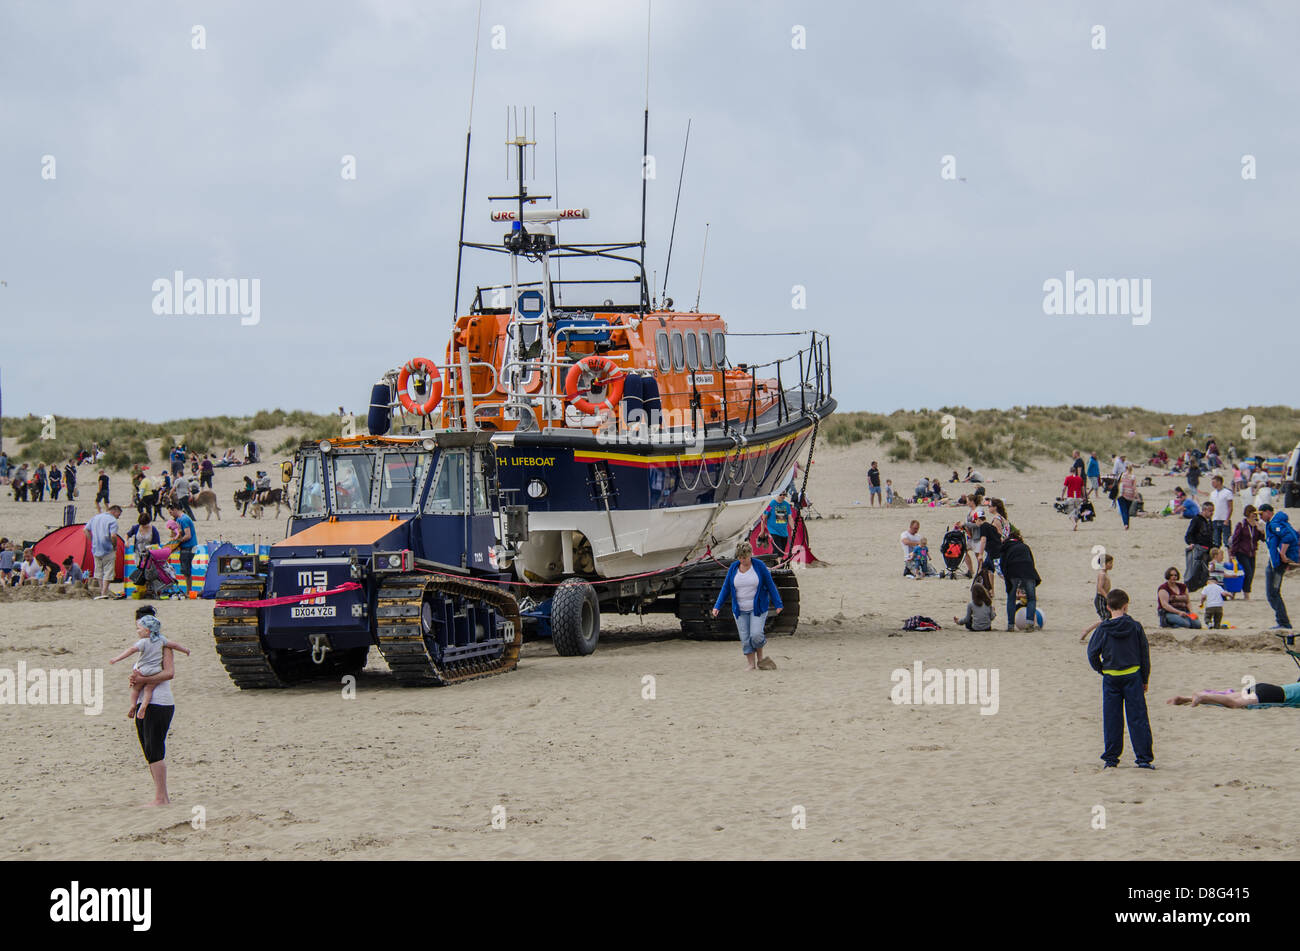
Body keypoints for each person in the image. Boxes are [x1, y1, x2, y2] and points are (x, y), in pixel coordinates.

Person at [1087, 589, 1154, 769]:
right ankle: (1144, 758)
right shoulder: (1135, 626)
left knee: (1112, 718)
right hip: (1132, 675)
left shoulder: (1103, 628)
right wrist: (1145, 678)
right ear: (1126, 606)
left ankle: (1111, 758)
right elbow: (1144, 654)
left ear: (1108, 607)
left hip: (1111, 677)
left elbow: (1092, 653)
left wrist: (1101, 669)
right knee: (1138, 717)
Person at [126, 606, 177, 806]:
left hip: (160, 702)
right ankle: (162, 796)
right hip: (143, 703)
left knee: (155, 749)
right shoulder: (143, 646)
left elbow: (169, 673)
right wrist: (134, 679)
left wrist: (144, 678)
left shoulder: (163, 645)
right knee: (148, 749)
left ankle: (160, 797)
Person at [711, 541, 783, 671]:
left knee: (756, 635)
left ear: (750, 555)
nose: (742, 560)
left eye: (744, 557)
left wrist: (778, 603)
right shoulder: (734, 568)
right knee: (745, 639)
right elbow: (726, 588)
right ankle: (751, 664)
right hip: (740, 610)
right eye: (739, 558)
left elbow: (770, 585)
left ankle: (761, 658)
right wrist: (717, 606)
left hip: (758, 608)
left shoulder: (759, 566)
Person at [110, 613, 190, 720]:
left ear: (147, 631)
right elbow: (175, 645)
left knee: (136, 689)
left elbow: (131, 650)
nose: (137, 631)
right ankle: (144, 706)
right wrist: (186, 650)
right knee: (148, 690)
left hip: (143, 670)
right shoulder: (162, 640)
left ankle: (133, 705)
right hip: (155, 671)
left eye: (138, 629)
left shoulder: (143, 642)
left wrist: (116, 658)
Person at [1260, 503, 1298, 630]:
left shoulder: (1274, 524)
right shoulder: (1274, 524)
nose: (1261, 517)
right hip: (1276, 563)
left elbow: (1289, 536)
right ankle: (1283, 621)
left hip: (1276, 565)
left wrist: (1282, 554)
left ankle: (1283, 622)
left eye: (1262, 514)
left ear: (1268, 512)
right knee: (1273, 593)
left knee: (1273, 593)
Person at [999, 532, 1040, 631]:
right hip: (1027, 570)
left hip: (1012, 571)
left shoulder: (1005, 548)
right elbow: (1032, 562)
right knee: (1031, 598)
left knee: (1011, 598)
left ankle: (1010, 625)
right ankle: (1030, 624)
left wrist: (1007, 579)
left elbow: (1002, 564)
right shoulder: (1025, 546)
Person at [84, 504, 122, 599]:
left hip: (96, 547)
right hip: (107, 547)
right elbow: (113, 536)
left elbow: (85, 530)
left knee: (99, 570)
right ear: (115, 511)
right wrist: (114, 546)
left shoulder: (96, 517)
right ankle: (104, 592)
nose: (118, 517)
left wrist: (92, 541)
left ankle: (102, 591)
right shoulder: (112, 521)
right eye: (119, 515)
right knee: (108, 570)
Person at [1168, 682, 1300, 709]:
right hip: (1273, 694)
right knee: (1235, 704)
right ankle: (1203, 697)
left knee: (1230, 698)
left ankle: (1184, 698)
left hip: (1266, 687)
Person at [1229, 505, 1264, 601]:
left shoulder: (1256, 525)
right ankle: (1239, 593)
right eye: (1253, 513)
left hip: (1252, 553)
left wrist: (1261, 531)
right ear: (1248, 513)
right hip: (1241, 552)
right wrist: (1232, 553)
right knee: (1245, 572)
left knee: (1251, 573)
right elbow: (1236, 539)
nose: (1254, 516)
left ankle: (1244, 592)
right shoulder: (1241, 525)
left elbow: (1263, 539)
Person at [1080, 554, 1115, 641]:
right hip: (1101, 599)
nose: (1111, 565)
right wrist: (1107, 597)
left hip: (1104, 598)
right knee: (1105, 619)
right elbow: (1100, 588)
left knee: (1109, 618)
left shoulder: (1105, 574)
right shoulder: (1102, 574)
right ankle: (1087, 630)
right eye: (1110, 563)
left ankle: (1105, 635)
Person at [168, 502, 198, 597]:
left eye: (171, 512)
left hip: (189, 546)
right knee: (186, 569)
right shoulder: (180, 519)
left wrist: (178, 540)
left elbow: (188, 535)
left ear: (176, 509)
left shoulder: (184, 519)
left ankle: (189, 592)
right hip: (189, 546)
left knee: (186, 570)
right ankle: (188, 591)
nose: (171, 515)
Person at [1184, 500, 1214, 591]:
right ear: (1204, 510)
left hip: (1207, 550)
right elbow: (1189, 534)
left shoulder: (1209, 521)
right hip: (1198, 549)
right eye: (1210, 511)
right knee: (1194, 571)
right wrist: (1192, 543)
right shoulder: (1196, 520)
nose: (1212, 513)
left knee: (1205, 572)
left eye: (1213, 511)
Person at [761, 490, 793, 556]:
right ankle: (779, 565)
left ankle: (775, 563)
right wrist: (762, 531)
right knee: (778, 552)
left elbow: (790, 518)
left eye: (784, 495)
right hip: (773, 532)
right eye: (780, 494)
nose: (782, 496)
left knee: (781, 552)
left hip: (784, 533)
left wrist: (793, 528)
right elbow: (764, 517)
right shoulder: (770, 504)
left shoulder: (786, 505)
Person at [1208, 475, 1233, 549]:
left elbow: (1230, 507)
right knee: (1215, 542)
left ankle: (1230, 559)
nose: (1212, 484)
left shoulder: (1227, 492)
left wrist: (1227, 519)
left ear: (1219, 482)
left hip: (1224, 519)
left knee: (1227, 542)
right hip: (1215, 519)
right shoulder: (1212, 493)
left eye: (1214, 482)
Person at [1117, 464, 1137, 530]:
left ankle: (1126, 524)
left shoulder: (1122, 475)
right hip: (1130, 495)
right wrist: (1135, 495)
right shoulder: (1133, 477)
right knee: (1127, 510)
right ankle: (1127, 524)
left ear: (1125, 468)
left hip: (1122, 494)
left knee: (1123, 510)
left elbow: (1118, 484)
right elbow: (1134, 487)